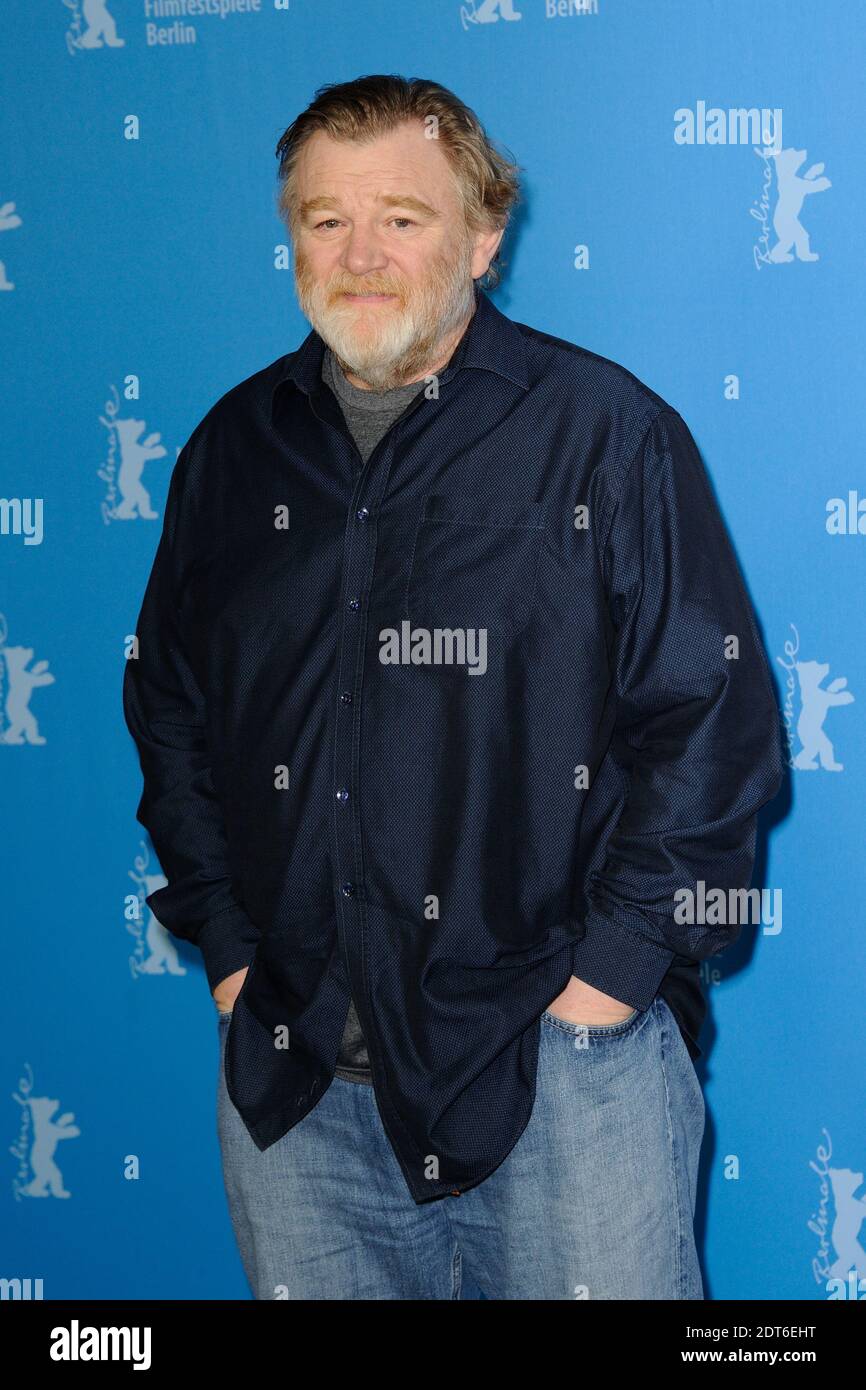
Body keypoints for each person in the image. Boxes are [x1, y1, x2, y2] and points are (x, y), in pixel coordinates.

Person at [123, 74, 784, 1300]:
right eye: (325, 220)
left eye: (402, 218)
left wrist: (602, 990)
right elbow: (171, 707)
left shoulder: (605, 436)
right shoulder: (231, 451)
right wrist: (225, 941)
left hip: (560, 1081)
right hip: (297, 1086)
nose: (359, 254)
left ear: (482, 238)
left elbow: (709, 721)